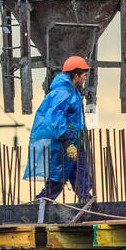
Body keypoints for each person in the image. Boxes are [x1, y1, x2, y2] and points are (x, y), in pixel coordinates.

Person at [25, 55, 93, 204]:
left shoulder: (73, 91)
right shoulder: (63, 93)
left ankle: (86, 201)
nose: (84, 79)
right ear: (75, 76)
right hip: (64, 144)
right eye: (83, 76)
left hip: (75, 142)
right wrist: (68, 144)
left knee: (80, 173)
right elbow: (55, 119)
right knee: (58, 179)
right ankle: (40, 204)